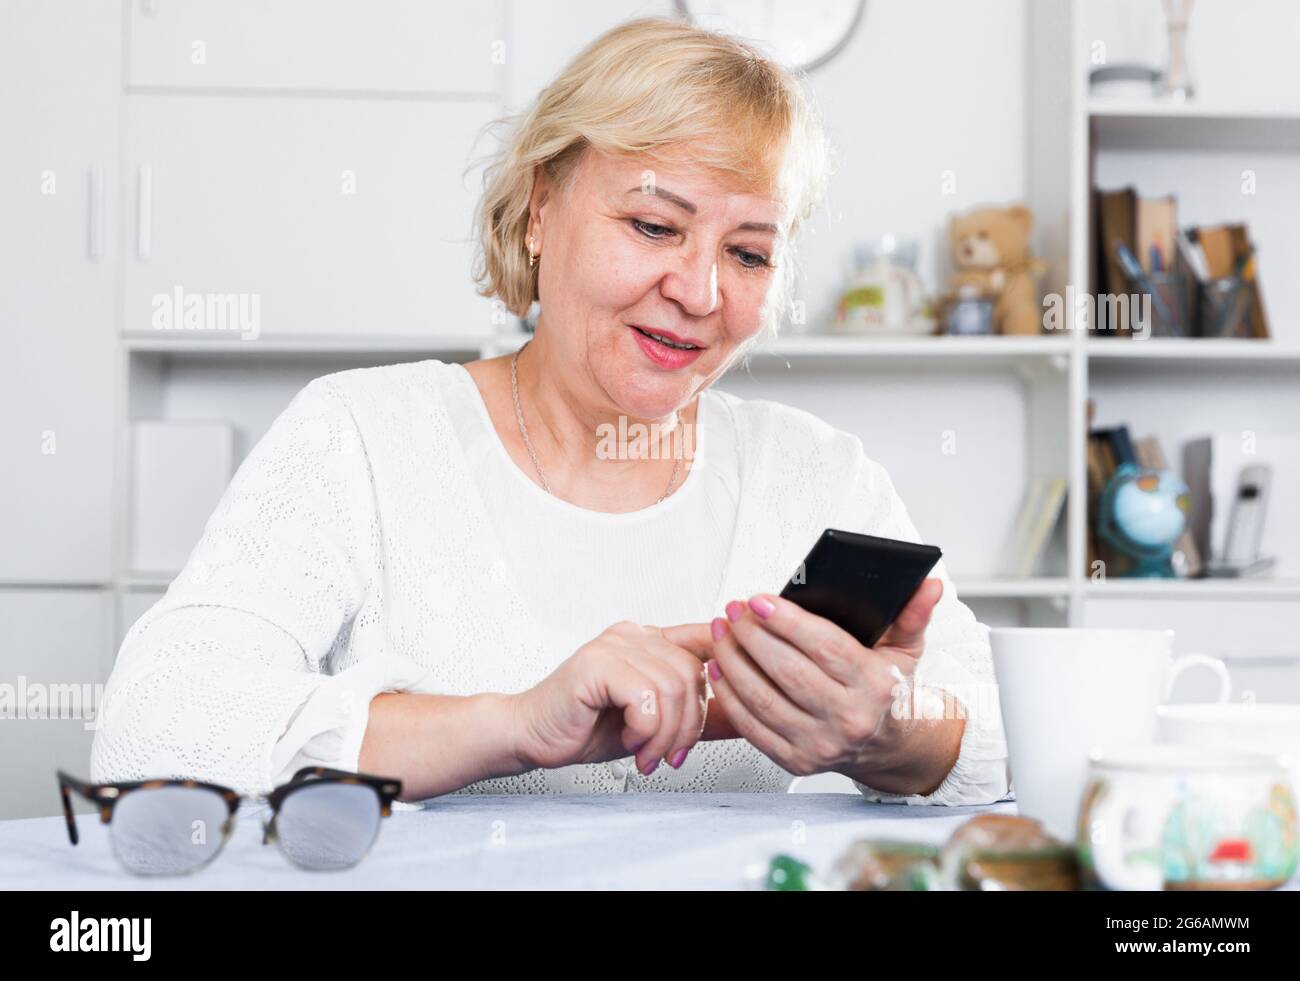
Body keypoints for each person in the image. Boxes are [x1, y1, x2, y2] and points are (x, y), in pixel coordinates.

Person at [92, 16, 1009, 806]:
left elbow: (995, 740)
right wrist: (516, 723)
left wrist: (887, 734)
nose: (698, 290)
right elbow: (150, 734)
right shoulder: (362, 436)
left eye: (749, 253)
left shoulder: (815, 475)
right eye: (654, 227)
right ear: (539, 210)